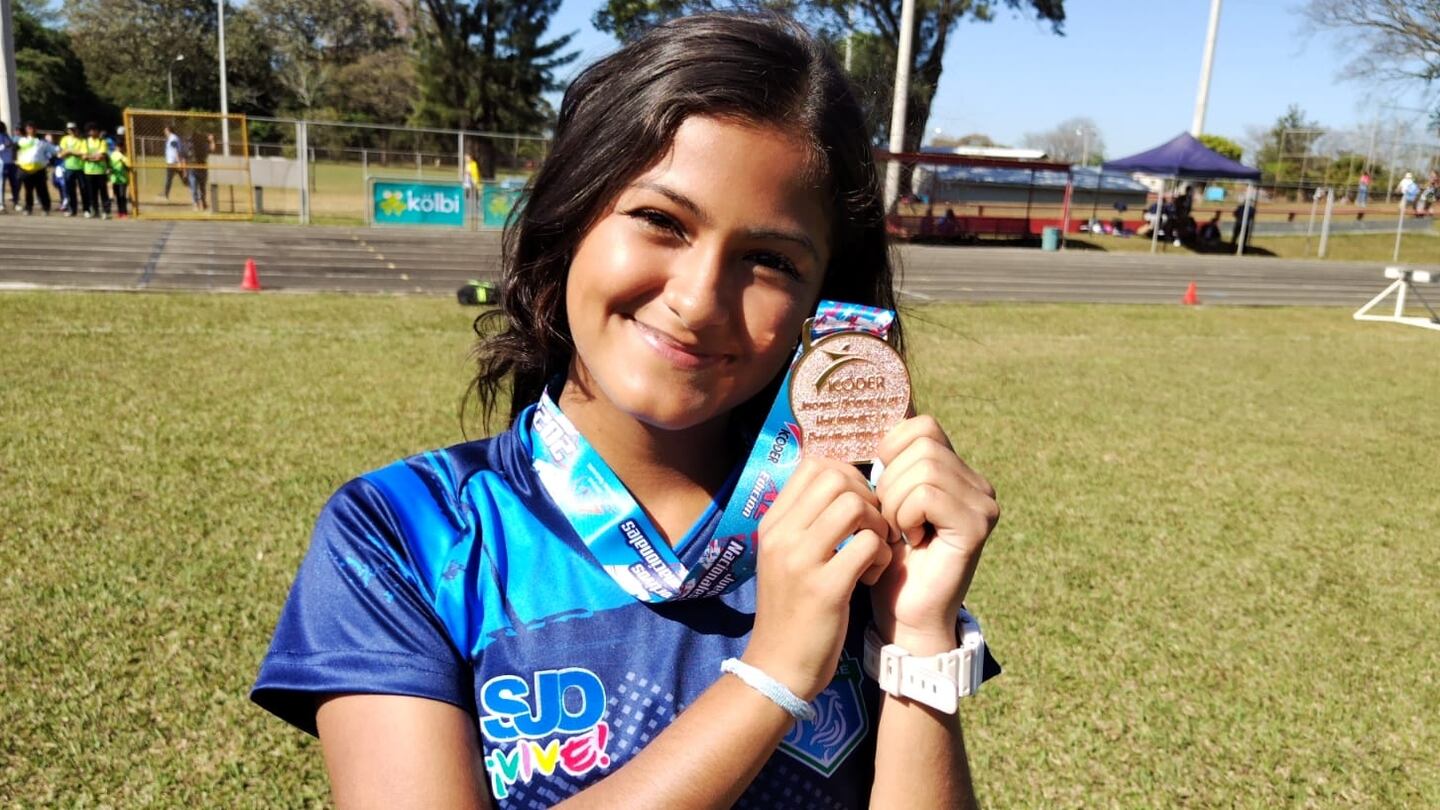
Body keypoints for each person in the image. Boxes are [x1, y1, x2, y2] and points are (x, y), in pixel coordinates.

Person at [252, 14, 1001, 809]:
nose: (698, 300)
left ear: (824, 303)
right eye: (661, 222)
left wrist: (917, 633)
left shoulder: (853, 530)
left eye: (769, 260)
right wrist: (772, 677)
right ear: (570, 213)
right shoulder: (404, 534)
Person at [14, 122, 54, 215]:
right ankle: (28, 208)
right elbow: (13, 149)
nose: (31, 130)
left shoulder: (41, 142)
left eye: (32, 128)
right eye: (29, 128)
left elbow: (53, 150)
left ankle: (45, 208)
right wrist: (15, 161)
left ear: (36, 130)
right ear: (26, 130)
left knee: (42, 190)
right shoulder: (22, 141)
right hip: (26, 169)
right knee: (28, 190)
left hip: (39, 169)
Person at [81, 122, 112, 219]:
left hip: (100, 171)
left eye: (95, 130)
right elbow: (84, 156)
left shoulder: (102, 141)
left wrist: (90, 157)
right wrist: (94, 157)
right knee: (91, 193)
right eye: (91, 130)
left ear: (98, 131)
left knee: (103, 192)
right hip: (89, 171)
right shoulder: (85, 142)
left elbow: (101, 156)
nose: (93, 132)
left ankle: (106, 211)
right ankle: (95, 210)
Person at [58, 122, 85, 217]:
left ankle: (86, 209)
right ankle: (72, 210)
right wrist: (72, 152)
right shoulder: (64, 139)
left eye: (73, 129)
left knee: (83, 189)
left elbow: (82, 153)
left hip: (80, 167)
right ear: (67, 130)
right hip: (68, 167)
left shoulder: (81, 140)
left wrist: (70, 151)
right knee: (70, 190)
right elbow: (61, 154)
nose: (72, 131)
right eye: (70, 129)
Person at [109, 140, 132, 219]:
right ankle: (120, 212)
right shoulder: (113, 155)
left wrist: (123, 163)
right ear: (116, 147)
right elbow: (110, 165)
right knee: (118, 196)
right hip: (115, 179)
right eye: (118, 147)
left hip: (123, 179)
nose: (119, 148)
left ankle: (124, 212)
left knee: (122, 196)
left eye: (120, 147)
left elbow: (128, 167)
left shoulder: (123, 156)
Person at [163, 125, 186, 200]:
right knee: (169, 179)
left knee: (183, 178)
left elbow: (176, 149)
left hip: (174, 163)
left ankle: (165, 194)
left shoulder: (173, 138)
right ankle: (165, 194)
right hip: (172, 162)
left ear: (169, 131)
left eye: (166, 130)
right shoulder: (170, 138)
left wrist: (179, 162)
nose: (164, 132)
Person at [0, 122, 18, 213]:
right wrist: (5, 145)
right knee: (1, 185)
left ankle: (16, 203)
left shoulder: (7, 136)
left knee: (15, 184)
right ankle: (1, 204)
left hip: (11, 163)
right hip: (2, 163)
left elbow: (12, 147)